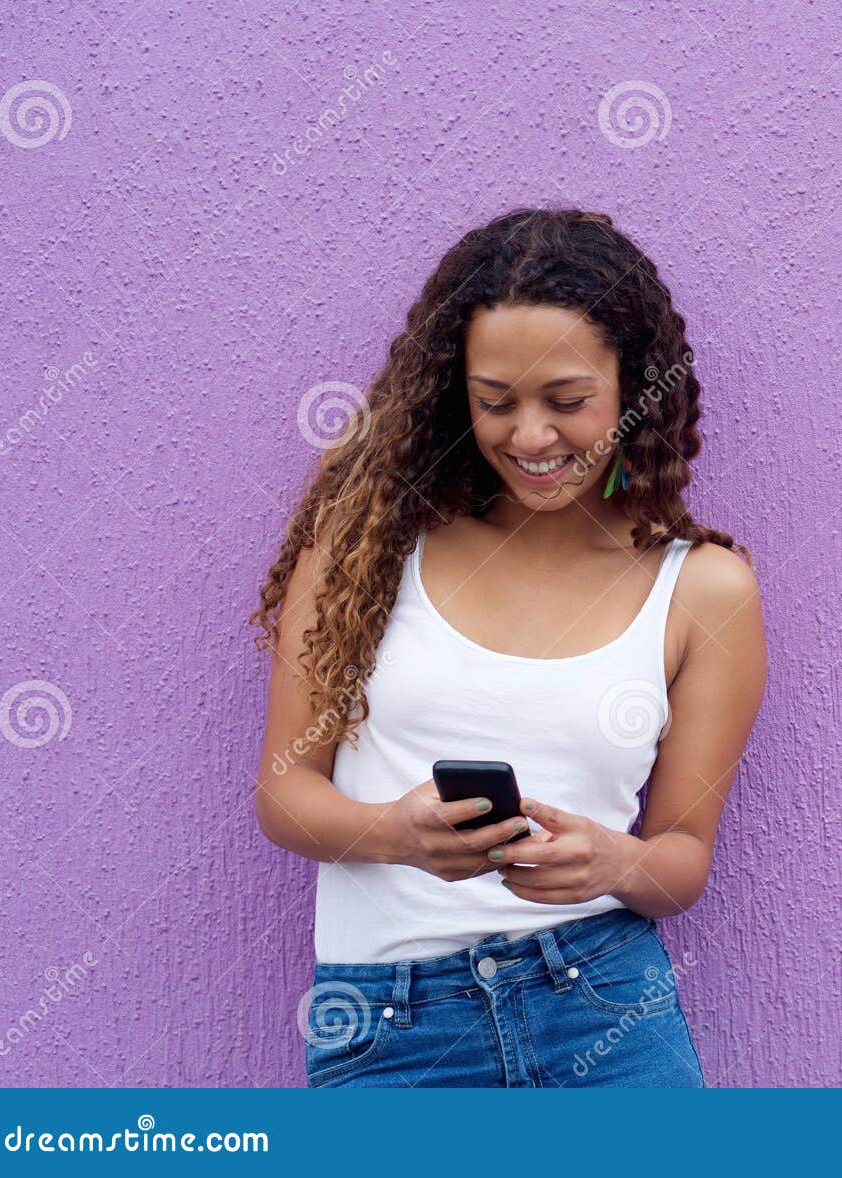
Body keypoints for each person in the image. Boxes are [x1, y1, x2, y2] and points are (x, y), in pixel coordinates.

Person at [249, 208, 767, 1087]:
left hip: (604, 1008)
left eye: (567, 402)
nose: (530, 437)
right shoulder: (370, 543)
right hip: (392, 1029)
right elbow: (284, 793)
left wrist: (617, 860)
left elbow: (682, 861)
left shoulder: (705, 589)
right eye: (496, 402)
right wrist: (395, 834)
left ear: (635, 386)